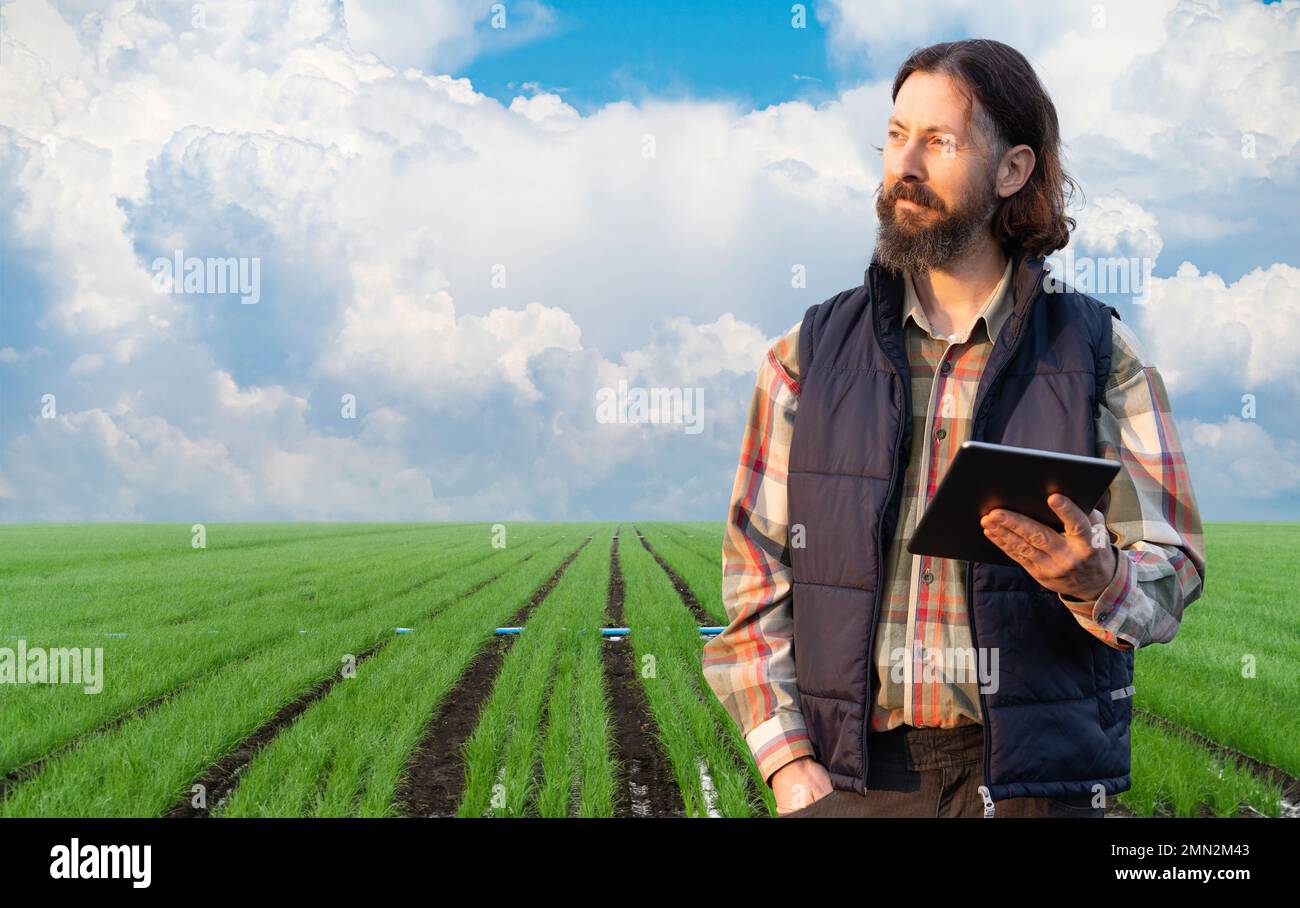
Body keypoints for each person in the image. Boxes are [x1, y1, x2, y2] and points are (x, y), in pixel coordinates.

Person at [702, 39, 1206, 818]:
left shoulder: (1100, 353)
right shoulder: (803, 358)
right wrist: (791, 770)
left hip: (1034, 790)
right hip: (857, 786)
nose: (906, 163)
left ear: (1012, 171)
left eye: (940, 142)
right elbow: (753, 581)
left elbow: (1176, 570)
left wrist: (1101, 581)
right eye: (896, 136)